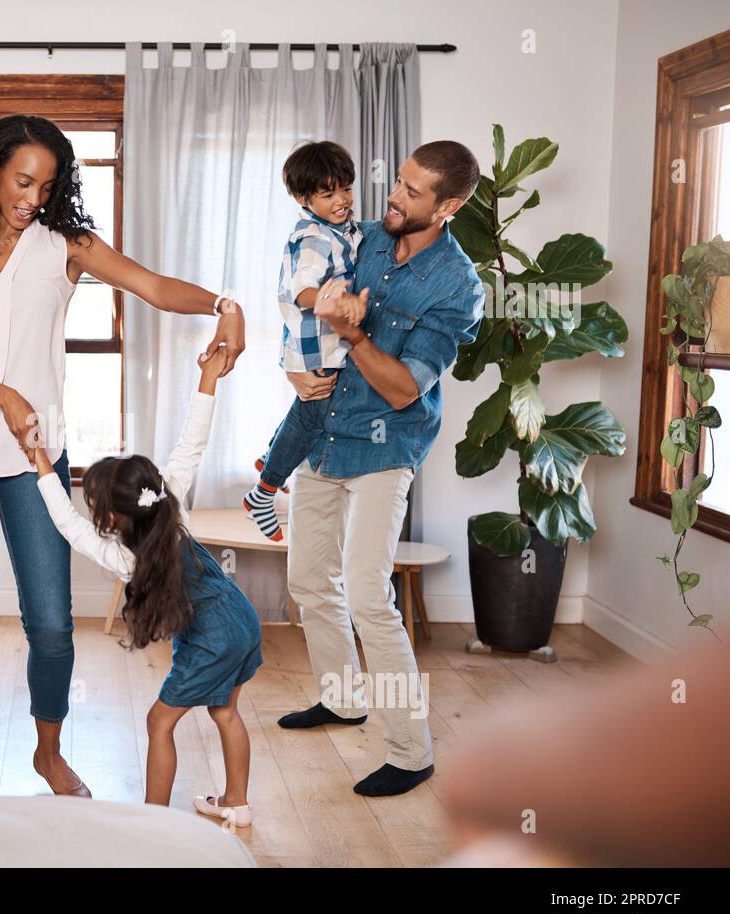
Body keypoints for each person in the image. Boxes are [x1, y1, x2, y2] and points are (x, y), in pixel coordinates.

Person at [0, 114, 245, 798]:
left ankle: (47, 751)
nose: (31, 196)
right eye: (20, 180)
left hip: (34, 455)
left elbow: (152, 287)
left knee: (51, 621)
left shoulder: (66, 246)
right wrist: (5, 395)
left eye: (45, 185)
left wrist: (223, 303)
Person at [280, 141, 485, 797]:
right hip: (326, 434)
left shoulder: (458, 287)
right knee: (310, 577)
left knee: (368, 590)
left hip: (387, 443)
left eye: (413, 191)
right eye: (397, 181)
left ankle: (410, 750)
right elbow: (298, 273)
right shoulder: (361, 238)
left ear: (448, 207)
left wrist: (356, 333)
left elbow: (403, 389)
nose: (393, 196)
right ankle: (343, 699)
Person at [32, 345, 262, 826]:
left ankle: (154, 826)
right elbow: (191, 443)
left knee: (159, 720)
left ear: (114, 516)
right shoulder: (170, 502)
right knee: (224, 712)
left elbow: (69, 527)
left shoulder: (123, 556)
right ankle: (237, 804)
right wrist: (209, 378)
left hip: (213, 636)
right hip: (241, 615)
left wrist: (39, 461)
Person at [243, 140, 366, 542]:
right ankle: (264, 492)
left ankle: (269, 456)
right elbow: (302, 292)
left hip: (317, 343)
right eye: (328, 194)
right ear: (302, 198)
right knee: (314, 416)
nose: (342, 200)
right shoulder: (313, 238)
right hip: (317, 345)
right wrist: (338, 302)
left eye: (346, 188)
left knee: (305, 409)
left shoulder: (341, 226)